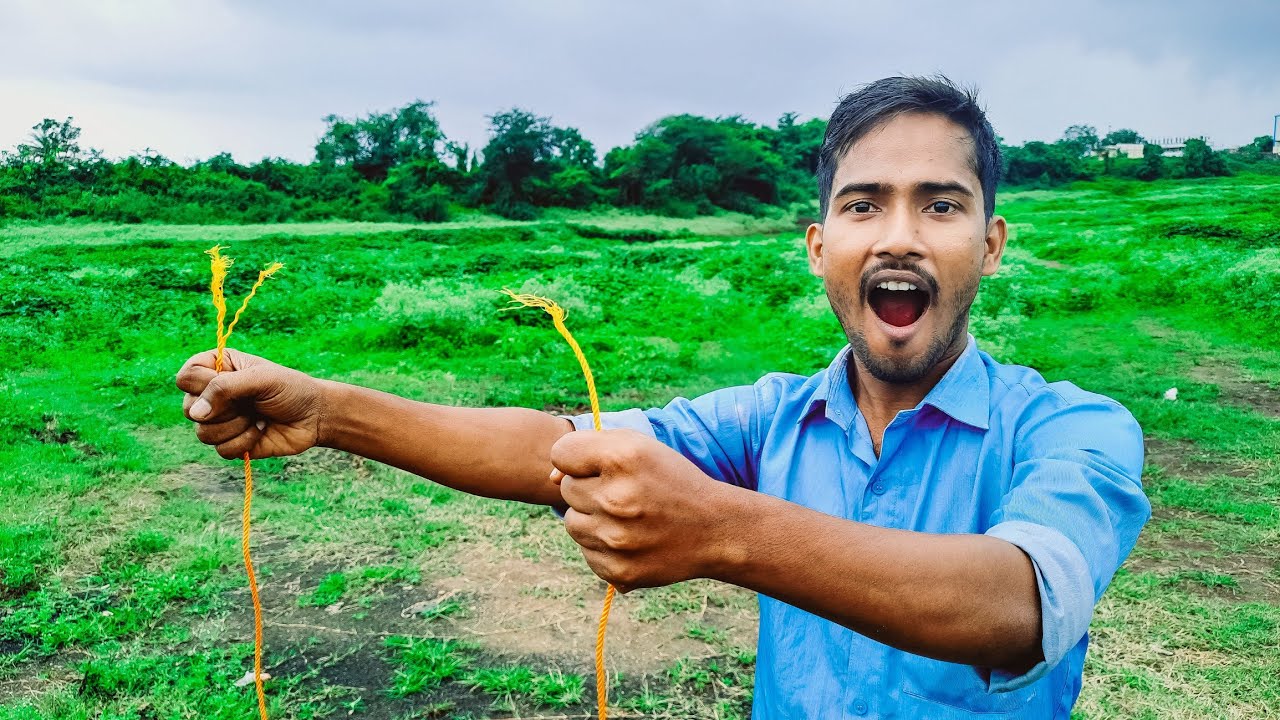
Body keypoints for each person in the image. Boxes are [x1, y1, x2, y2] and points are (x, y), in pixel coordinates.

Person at [177, 76, 1150, 718]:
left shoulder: (1069, 429)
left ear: (988, 245)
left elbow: (1020, 602)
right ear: (818, 249)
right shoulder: (770, 419)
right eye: (861, 205)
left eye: (939, 204)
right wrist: (330, 411)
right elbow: (553, 448)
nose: (897, 236)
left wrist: (724, 533)